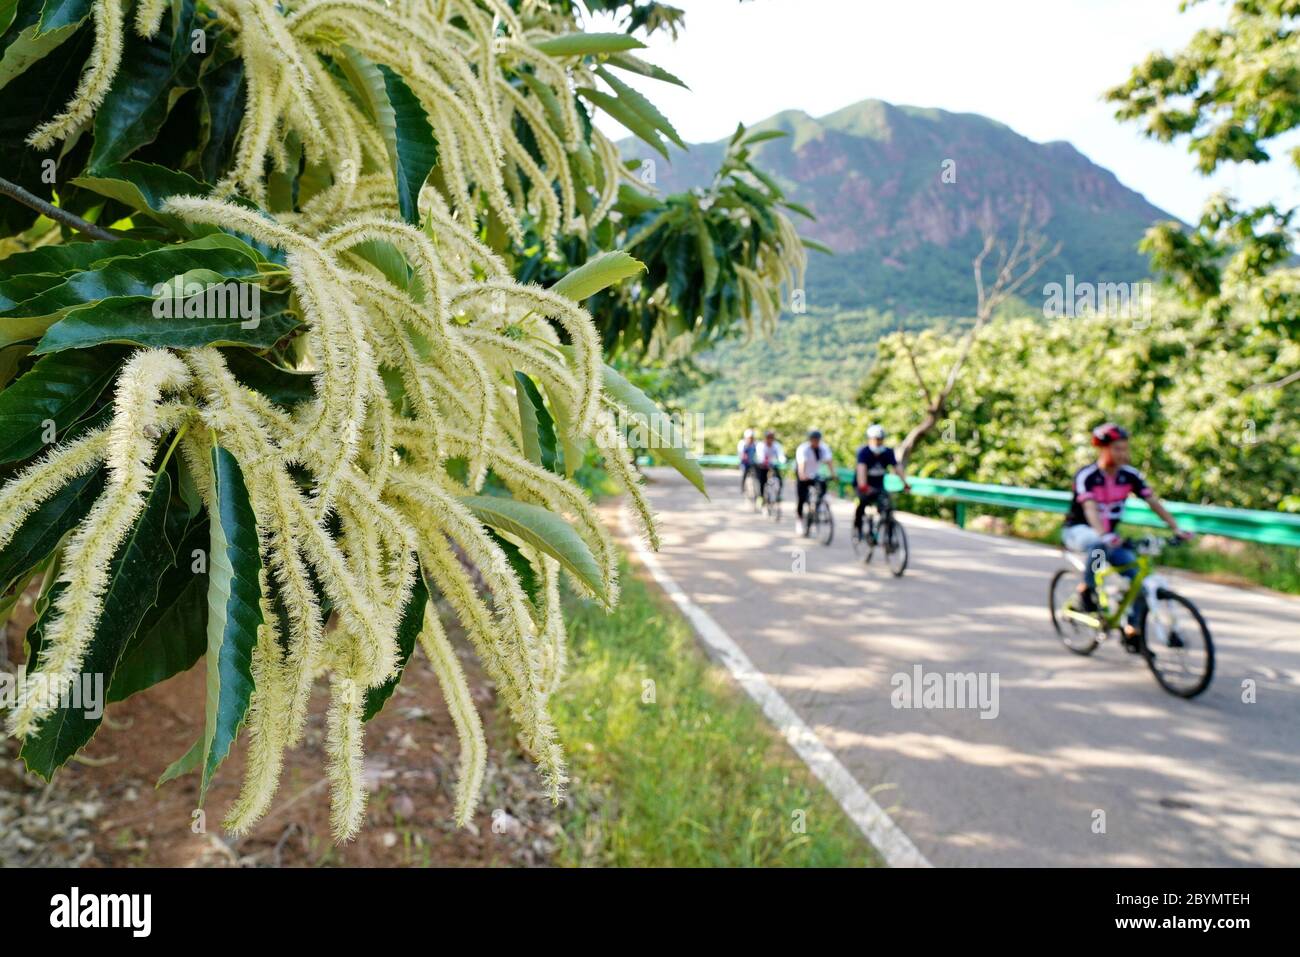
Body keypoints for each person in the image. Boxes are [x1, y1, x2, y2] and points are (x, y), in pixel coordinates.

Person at [1062, 423, 1191, 645]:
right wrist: (1103, 534)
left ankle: (1132, 629)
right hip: (1079, 531)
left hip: (1109, 537)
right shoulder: (1087, 475)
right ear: (1103, 449)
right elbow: (1090, 509)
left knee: (1140, 580)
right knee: (1096, 543)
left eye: (1125, 448)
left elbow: (1153, 503)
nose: (1123, 454)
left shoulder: (1130, 476)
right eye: (1117, 449)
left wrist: (1176, 528)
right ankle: (1086, 590)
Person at [854, 424, 910, 539]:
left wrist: (905, 483)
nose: (878, 442)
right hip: (863, 484)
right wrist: (864, 486)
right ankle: (858, 528)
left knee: (887, 507)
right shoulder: (864, 452)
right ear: (870, 439)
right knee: (863, 502)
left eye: (880, 439)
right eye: (876, 439)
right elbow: (861, 470)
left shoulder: (887, 452)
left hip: (878, 485)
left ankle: (888, 537)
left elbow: (897, 467)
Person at [795, 429, 834, 524]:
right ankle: (799, 518)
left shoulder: (823, 448)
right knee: (802, 498)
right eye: (814, 439)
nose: (816, 441)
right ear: (810, 439)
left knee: (822, 489)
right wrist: (802, 475)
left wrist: (833, 474)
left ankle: (817, 509)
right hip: (804, 473)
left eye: (817, 439)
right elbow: (801, 463)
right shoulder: (803, 448)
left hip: (815, 473)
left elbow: (829, 461)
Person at [753, 429, 785, 502]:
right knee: (762, 481)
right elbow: (760, 456)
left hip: (773, 465)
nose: (770, 439)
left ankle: (778, 495)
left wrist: (782, 460)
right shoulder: (761, 445)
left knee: (779, 479)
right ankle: (760, 497)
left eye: (771, 437)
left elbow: (780, 455)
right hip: (763, 466)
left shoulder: (776, 445)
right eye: (768, 437)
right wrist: (763, 462)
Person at [737, 428, 758, 494]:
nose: (750, 439)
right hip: (744, 463)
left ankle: (757, 488)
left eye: (751, 438)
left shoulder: (755, 444)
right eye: (749, 438)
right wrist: (743, 457)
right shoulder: (742, 443)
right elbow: (741, 453)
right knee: (744, 474)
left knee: (757, 474)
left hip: (753, 462)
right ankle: (743, 487)